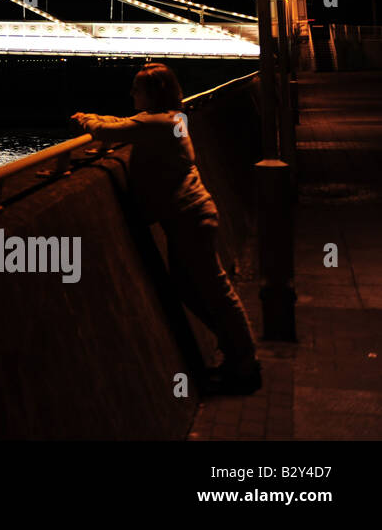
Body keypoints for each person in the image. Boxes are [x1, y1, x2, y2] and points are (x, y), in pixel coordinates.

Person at [71, 62, 261, 395]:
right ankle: (234, 353)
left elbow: (110, 131)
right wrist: (100, 117)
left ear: (153, 93)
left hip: (190, 218)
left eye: (137, 88)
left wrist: (85, 119)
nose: (131, 93)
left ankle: (246, 363)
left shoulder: (159, 123)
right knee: (190, 290)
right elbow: (128, 123)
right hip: (190, 216)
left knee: (217, 292)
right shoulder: (173, 118)